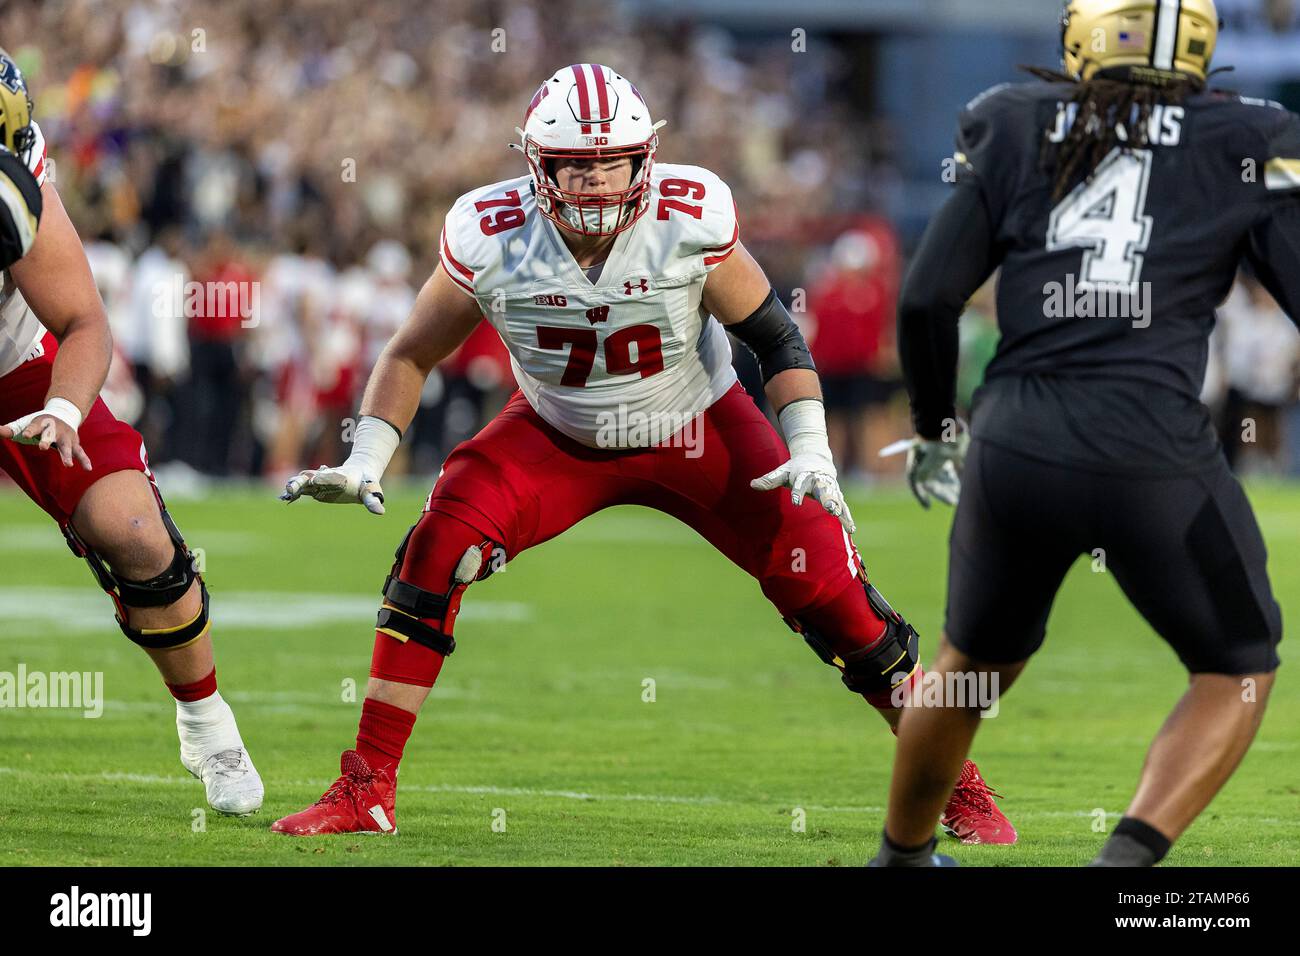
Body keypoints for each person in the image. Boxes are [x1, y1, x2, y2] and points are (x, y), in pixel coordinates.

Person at [272, 63, 1014, 844]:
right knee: (436, 550)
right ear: (537, 164)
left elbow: (775, 338)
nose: (595, 183)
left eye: (610, 162)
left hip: (699, 427)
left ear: (644, 157)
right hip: (558, 433)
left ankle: (956, 786)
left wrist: (809, 448)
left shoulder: (687, 215)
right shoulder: (489, 231)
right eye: (575, 167)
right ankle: (366, 789)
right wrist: (368, 457)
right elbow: (409, 353)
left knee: (837, 601)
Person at [877, 0, 1289, 867]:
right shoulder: (1247, 135)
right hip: (1154, 449)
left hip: (1014, 442)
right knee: (1238, 667)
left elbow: (924, 298)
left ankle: (903, 856)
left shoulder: (1014, 118)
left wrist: (931, 428)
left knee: (972, 665)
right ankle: (1123, 871)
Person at [0, 49, 262, 815]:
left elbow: (82, 320)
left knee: (137, 532)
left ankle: (207, 723)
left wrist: (64, 409)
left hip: (15, 363)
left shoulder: (22, 178)